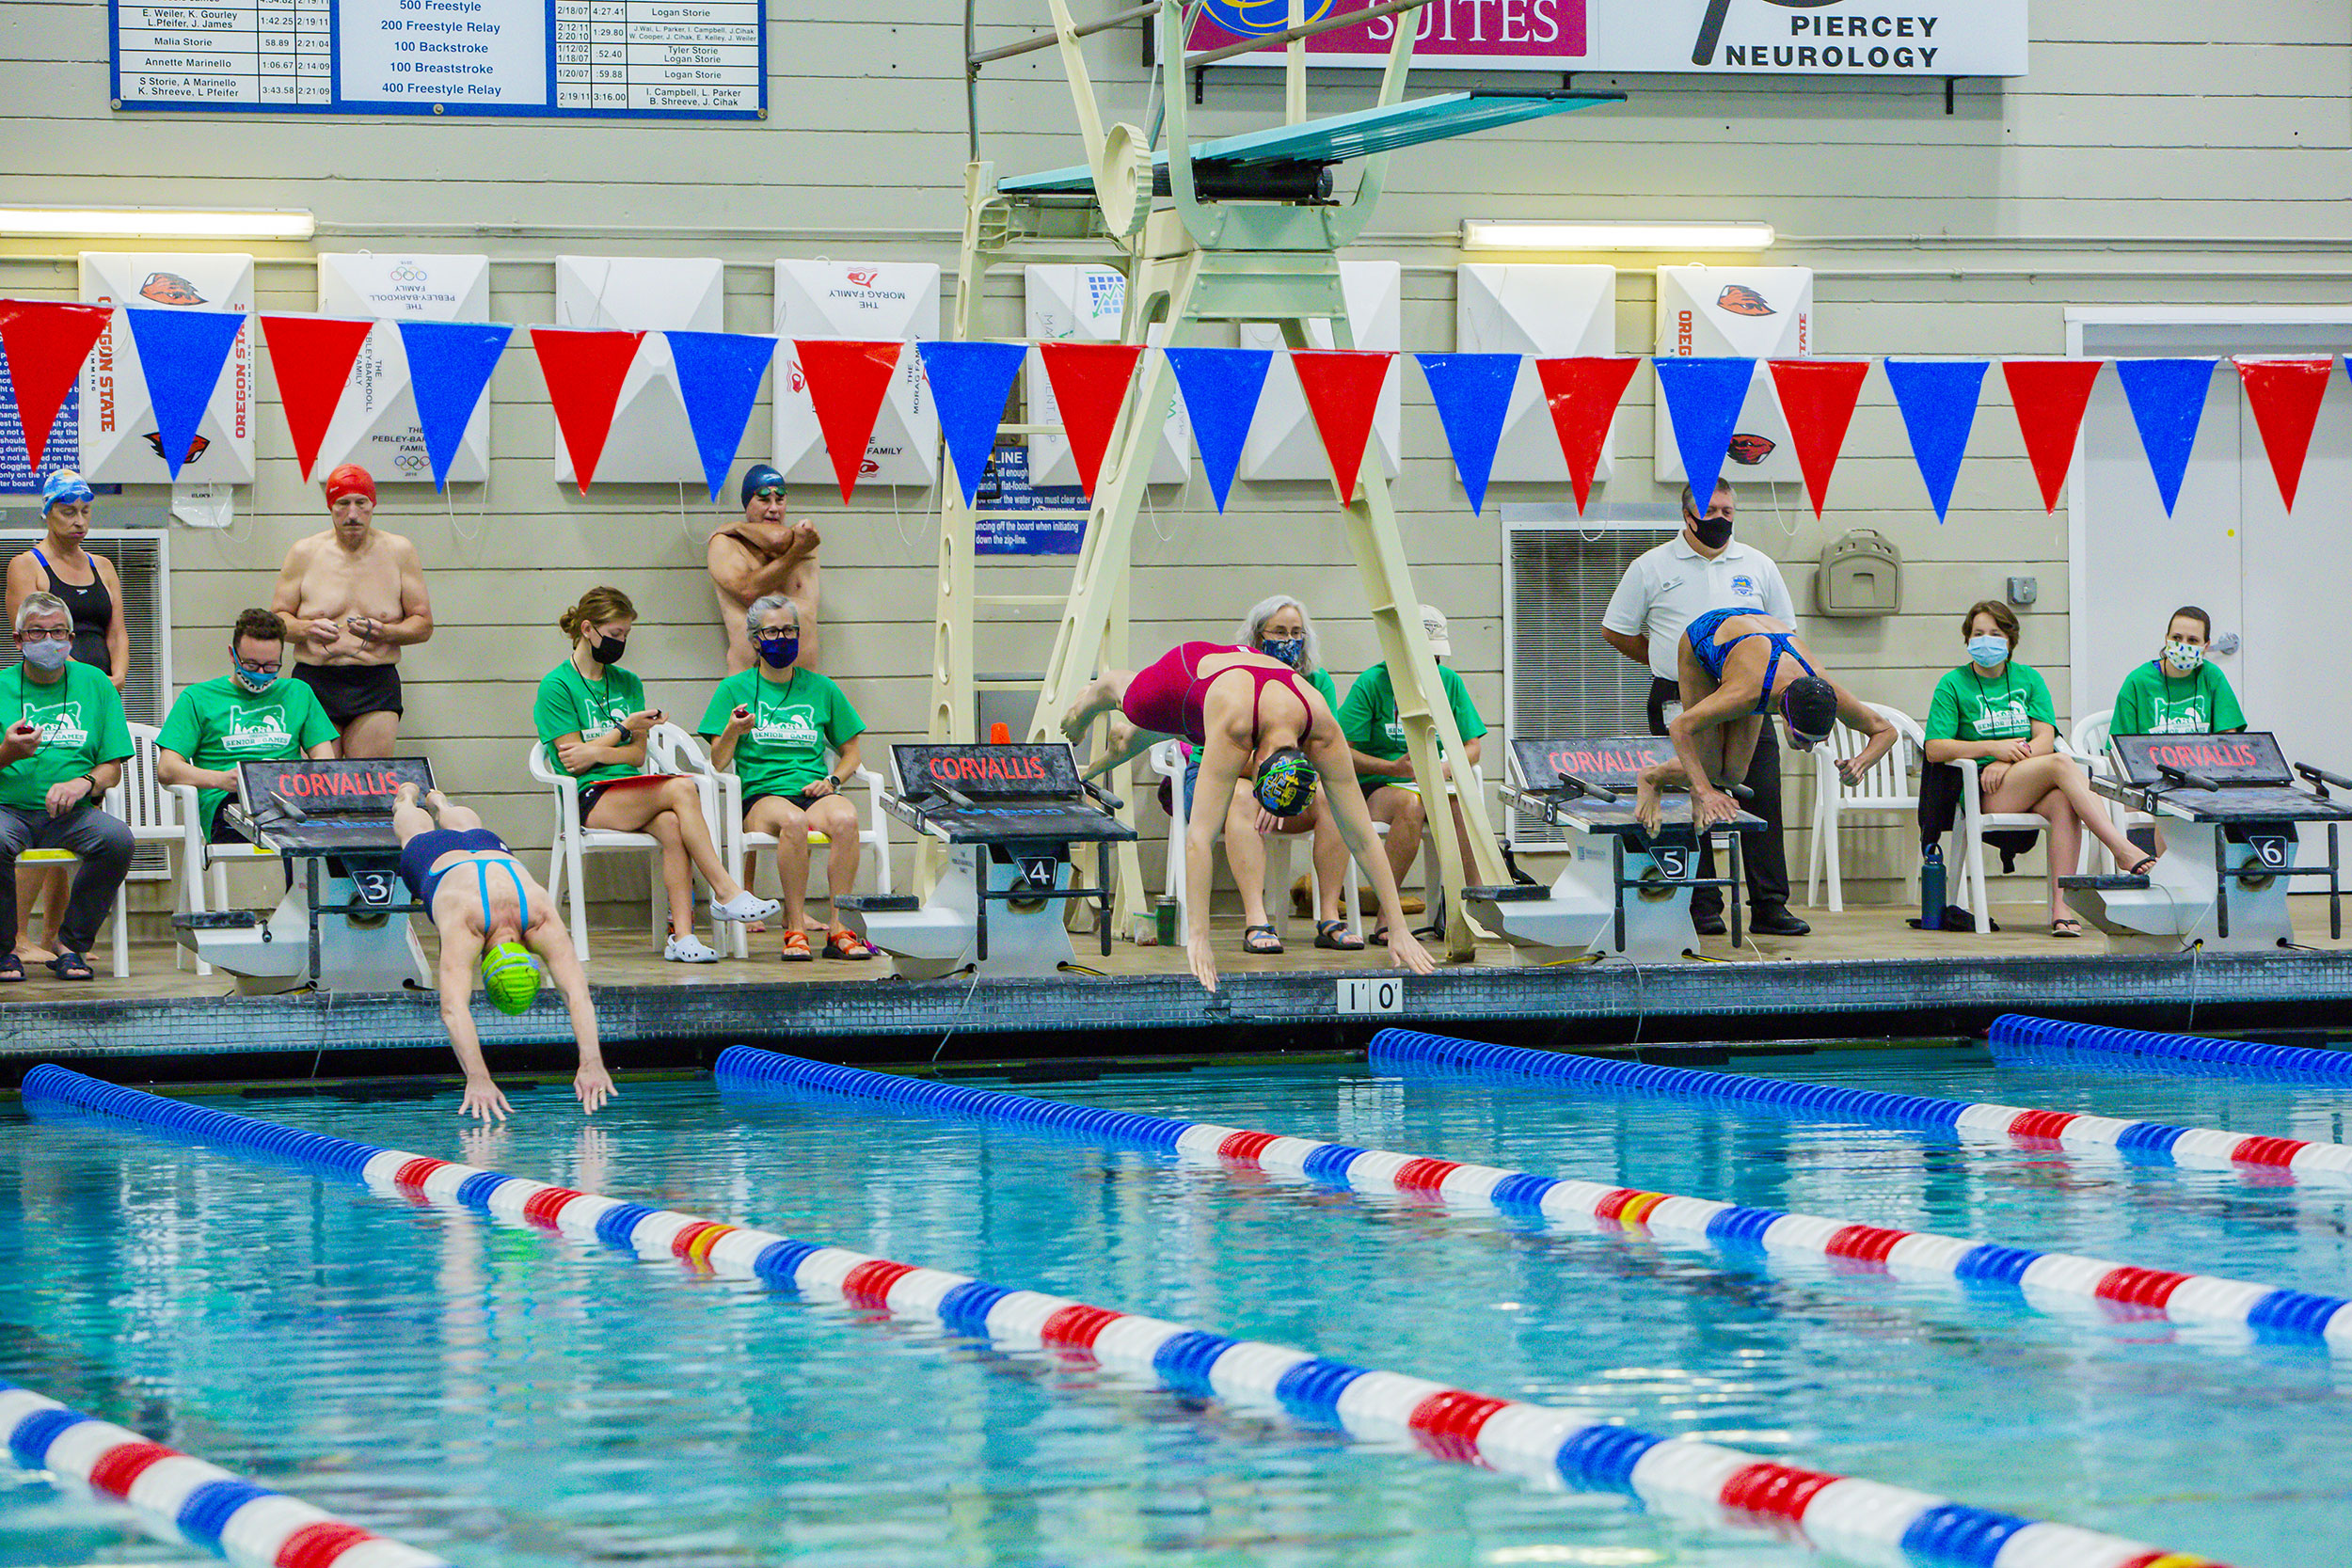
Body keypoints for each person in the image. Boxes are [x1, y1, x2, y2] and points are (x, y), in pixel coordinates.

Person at [1061, 641, 1437, 990]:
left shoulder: (1323, 731)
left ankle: (1127, 740)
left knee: (1145, 738)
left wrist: (1399, 927)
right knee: (1130, 700)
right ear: (1254, 763)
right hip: (1193, 675)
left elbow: (1361, 836)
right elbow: (1199, 839)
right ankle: (1091, 702)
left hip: (1238, 687)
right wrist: (1199, 937)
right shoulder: (1237, 729)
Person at [1602, 479, 1809, 937]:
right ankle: (1702, 903)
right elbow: (1616, 630)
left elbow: (1785, 632)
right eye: (1711, 511)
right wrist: (1670, 661)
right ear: (1688, 515)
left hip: (1748, 697)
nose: (1720, 519)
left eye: (1727, 511)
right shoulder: (1651, 566)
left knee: (1762, 794)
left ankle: (1770, 904)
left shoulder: (1758, 565)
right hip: (1680, 695)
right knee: (1690, 795)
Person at [535, 585, 778, 963]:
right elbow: (573, 762)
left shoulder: (628, 683)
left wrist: (597, 747)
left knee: (671, 824)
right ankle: (726, 891)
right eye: (615, 634)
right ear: (587, 629)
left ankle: (682, 937)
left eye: (626, 635)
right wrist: (623, 728)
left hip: (632, 788)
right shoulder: (557, 686)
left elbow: (634, 756)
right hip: (588, 796)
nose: (620, 642)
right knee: (682, 789)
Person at [1924, 600, 2155, 936]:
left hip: (2021, 775)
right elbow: (1935, 748)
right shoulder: (1953, 684)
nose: (1986, 640)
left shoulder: (2028, 679)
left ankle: (2062, 911)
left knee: (2063, 803)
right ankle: (2119, 847)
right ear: (1968, 639)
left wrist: (2007, 758)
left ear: (2010, 639)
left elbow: (2046, 737)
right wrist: (1991, 749)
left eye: (1995, 633)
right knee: (2062, 763)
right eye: (1978, 633)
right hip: (1984, 788)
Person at [391, 780, 613, 1122]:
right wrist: (478, 1078)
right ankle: (409, 800)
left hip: (488, 846)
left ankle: (437, 803)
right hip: (435, 858)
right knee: (413, 832)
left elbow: (579, 995)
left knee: (467, 827)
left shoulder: (537, 915)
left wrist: (593, 1061)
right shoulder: (472, 925)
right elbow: (452, 1010)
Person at [697, 593, 876, 961]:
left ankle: (839, 928)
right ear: (755, 640)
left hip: (814, 790)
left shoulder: (822, 688)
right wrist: (732, 730)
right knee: (793, 822)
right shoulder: (734, 688)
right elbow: (718, 761)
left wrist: (833, 781)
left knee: (846, 818)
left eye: (789, 630)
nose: (782, 638)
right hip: (763, 796)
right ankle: (795, 927)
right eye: (773, 632)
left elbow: (852, 753)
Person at [1639, 606, 1896, 842]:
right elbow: (1680, 728)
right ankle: (1651, 778)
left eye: (1817, 741)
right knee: (1709, 766)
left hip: (1759, 644)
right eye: (1802, 738)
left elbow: (1885, 730)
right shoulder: (1748, 694)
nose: (1807, 749)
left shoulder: (1827, 690)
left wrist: (1861, 763)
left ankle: (1700, 777)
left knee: (1733, 775)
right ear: (1783, 714)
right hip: (1705, 636)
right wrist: (1704, 790)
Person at [6, 469, 128, 963]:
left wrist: (114, 679)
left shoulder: (102, 565)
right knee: (39, 801)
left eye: (85, 512)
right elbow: (39, 633)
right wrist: (77, 678)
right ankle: (17, 937)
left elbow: (117, 630)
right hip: (56, 689)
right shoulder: (27, 565)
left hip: (97, 695)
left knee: (75, 812)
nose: (79, 521)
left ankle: (58, 936)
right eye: (68, 511)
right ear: (47, 513)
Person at [1202, 595, 1357, 955]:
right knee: (1242, 797)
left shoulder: (1316, 682)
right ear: (1258, 637)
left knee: (1333, 800)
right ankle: (1256, 920)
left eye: (1296, 633)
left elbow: (1324, 752)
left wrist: (1282, 785)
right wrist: (1271, 785)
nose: (1289, 641)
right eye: (1280, 632)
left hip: (1291, 783)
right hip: (1229, 783)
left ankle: (1329, 916)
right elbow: (1225, 758)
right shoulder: (1236, 678)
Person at [0, 592, 135, 981]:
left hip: (73, 814)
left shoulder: (96, 684)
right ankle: (5, 949)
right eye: (37, 633)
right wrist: (7, 752)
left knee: (116, 840)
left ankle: (70, 944)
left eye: (58, 632)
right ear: (18, 640)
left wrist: (83, 783)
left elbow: (112, 769)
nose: (49, 641)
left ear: (71, 639)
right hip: (9, 811)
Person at [1338, 604, 1487, 943]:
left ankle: (1472, 903)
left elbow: (1473, 747)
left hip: (1432, 782)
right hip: (1380, 784)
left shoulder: (1448, 682)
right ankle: (1388, 918)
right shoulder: (1372, 683)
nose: (1431, 663)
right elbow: (1341, 751)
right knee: (1410, 804)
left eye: (1436, 657)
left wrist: (1446, 767)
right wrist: (1392, 767)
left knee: (1459, 804)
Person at [271, 464, 433, 759]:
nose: (353, 514)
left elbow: (423, 624)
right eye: (343, 503)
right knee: (319, 780)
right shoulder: (304, 552)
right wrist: (308, 629)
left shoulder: (399, 551)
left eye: (361, 503)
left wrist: (386, 632)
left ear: (373, 505)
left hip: (375, 681)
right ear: (330, 507)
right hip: (316, 680)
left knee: (367, 779)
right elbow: (277, 621)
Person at [154, 610, 341, 847]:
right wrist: (221, 779)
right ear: (232, 655)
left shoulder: (298, 692)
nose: (261, 673)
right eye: (251, 665)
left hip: (290, 796)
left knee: (339, 834)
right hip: (230, 800)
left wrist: (300, 780)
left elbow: (325, 760)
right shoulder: (198, 697)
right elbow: (167, 768)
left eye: (271, 666)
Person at [707, 465, 821, 675]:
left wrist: (737, 526)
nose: (774, 508)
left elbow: (778, 539)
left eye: (780, 500)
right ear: (747, 504)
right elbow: (748, 591)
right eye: (764, 500)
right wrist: (796, 553)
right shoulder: (725, 544)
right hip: (750, 681)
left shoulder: (803, 538)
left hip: (804, 682)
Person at [2112, 606, 2246, 737]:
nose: (2183, 645)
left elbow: (2229, 739)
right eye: (2176, 638)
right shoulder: (2137, 682)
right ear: (2166, 639)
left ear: (2206, 646)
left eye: (2192, 640)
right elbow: (2119, 745)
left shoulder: (2212, 676)